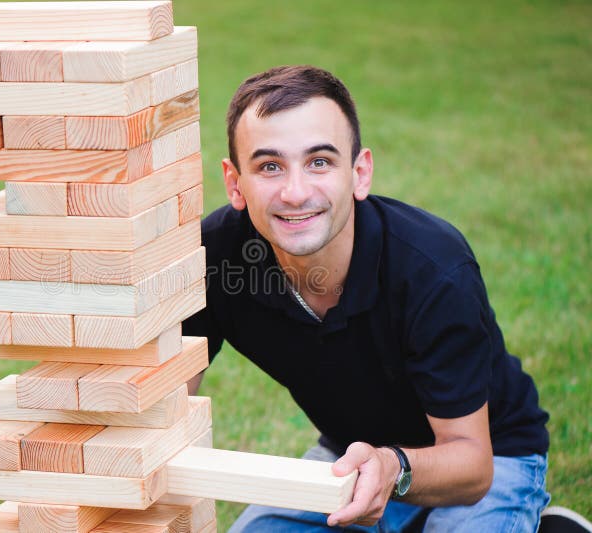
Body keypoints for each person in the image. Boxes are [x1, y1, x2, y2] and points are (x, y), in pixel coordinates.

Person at [181, 65, 553, 532]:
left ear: (359, 173)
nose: (295, 193)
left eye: (319, 161)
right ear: (235, 183)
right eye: (269, 166)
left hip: (489, 455)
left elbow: (473, 466)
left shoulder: (433, 270)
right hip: (351, 455)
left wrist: (391, 467)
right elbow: (167, 404)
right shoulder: (215, 257)